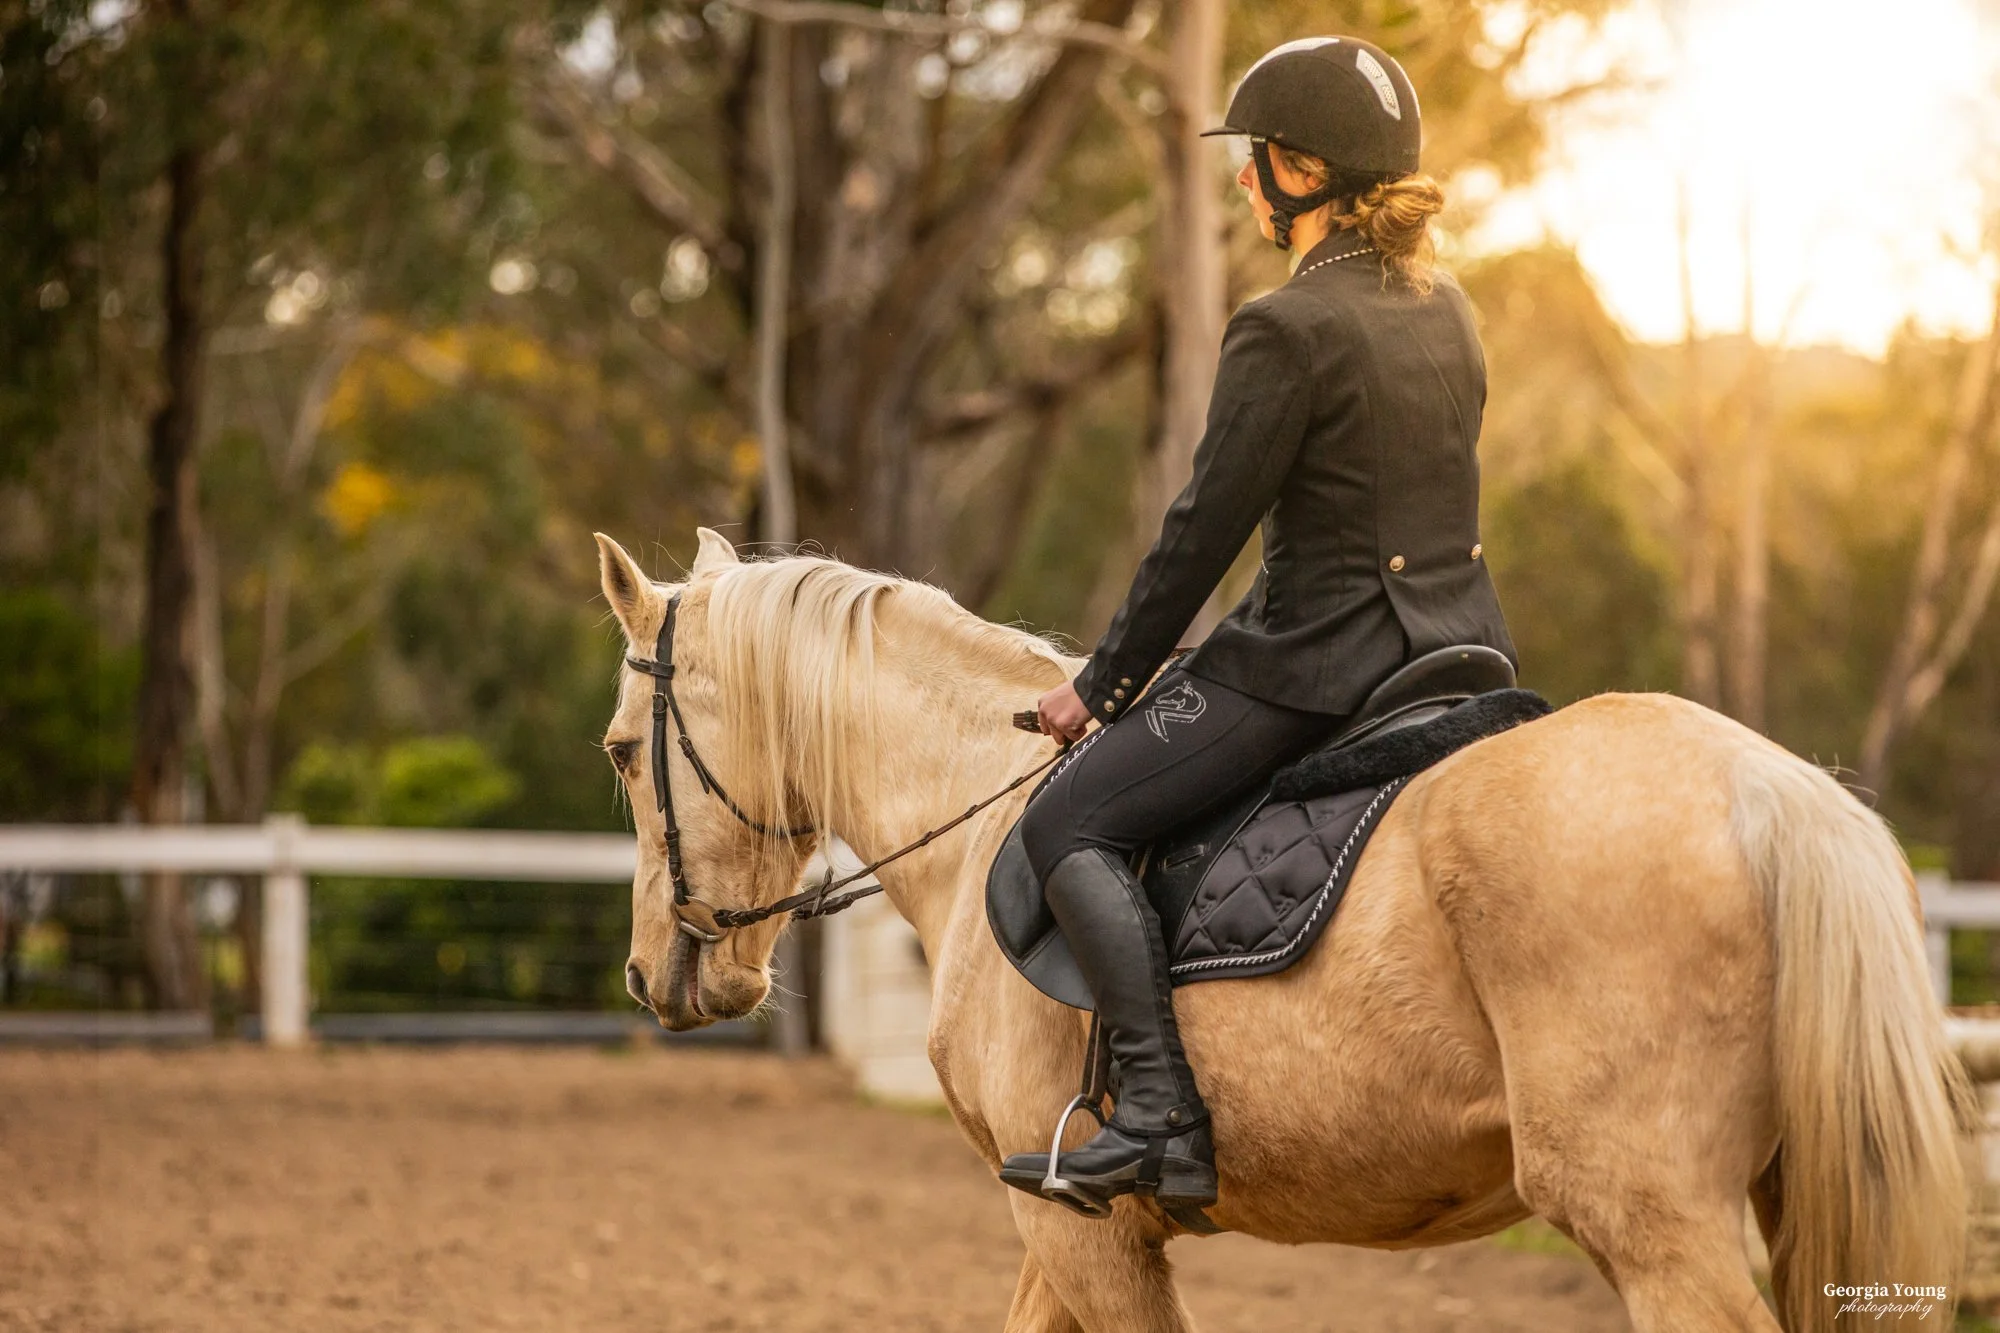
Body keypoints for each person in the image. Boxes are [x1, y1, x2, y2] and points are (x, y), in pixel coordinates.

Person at [997, 36, 1518, 1214]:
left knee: (1068, 823)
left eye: (1255, 164)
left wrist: (1103, 685)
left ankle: (1157, 1115)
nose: (1243, 184)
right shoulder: (1452, 311)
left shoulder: (1284, 328)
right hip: (1458, 648)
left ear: (1300, 170)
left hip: (1315, 664)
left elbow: (1198, 533)